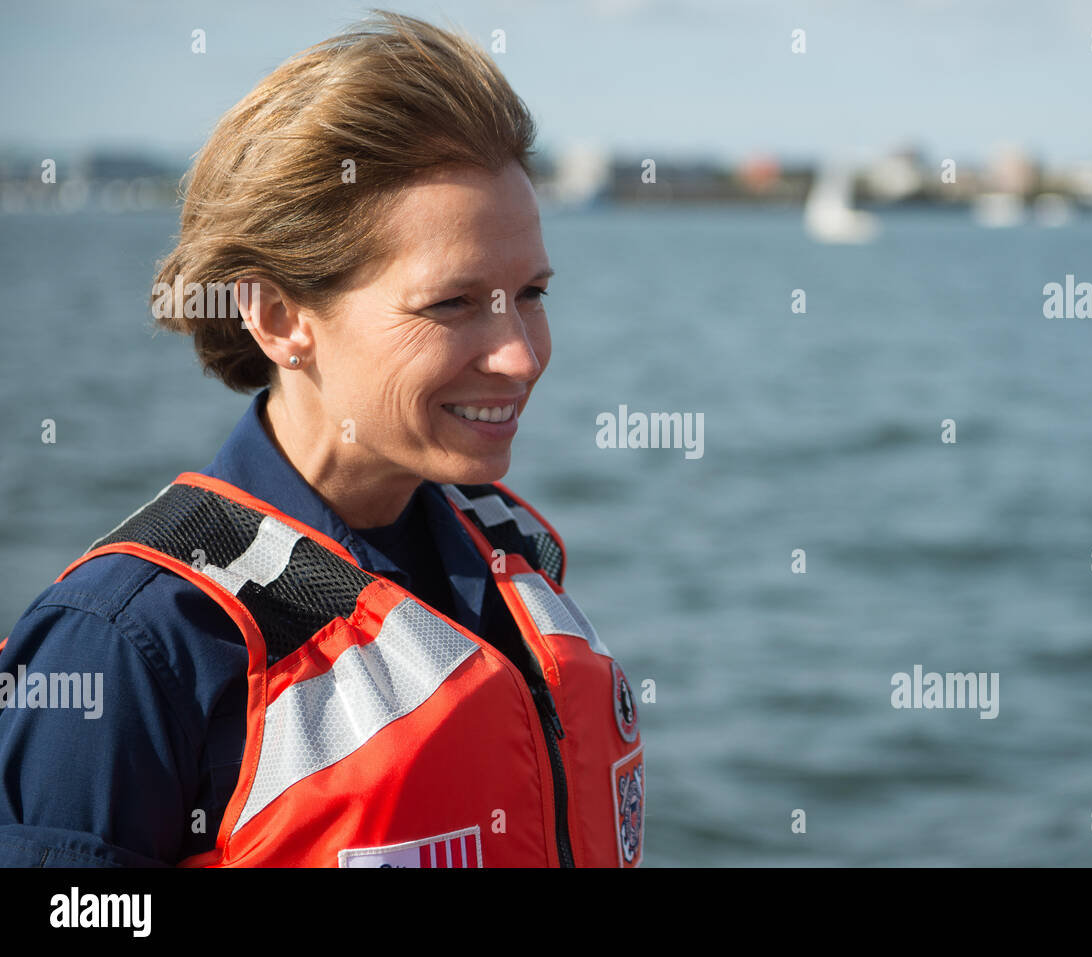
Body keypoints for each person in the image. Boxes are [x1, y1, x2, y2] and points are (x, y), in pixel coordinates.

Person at [0, 11, 643, 868]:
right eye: (451, 304)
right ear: (276, 316)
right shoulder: (131, 645)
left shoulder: (509, 557)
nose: (520, 355)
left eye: (531, 293)